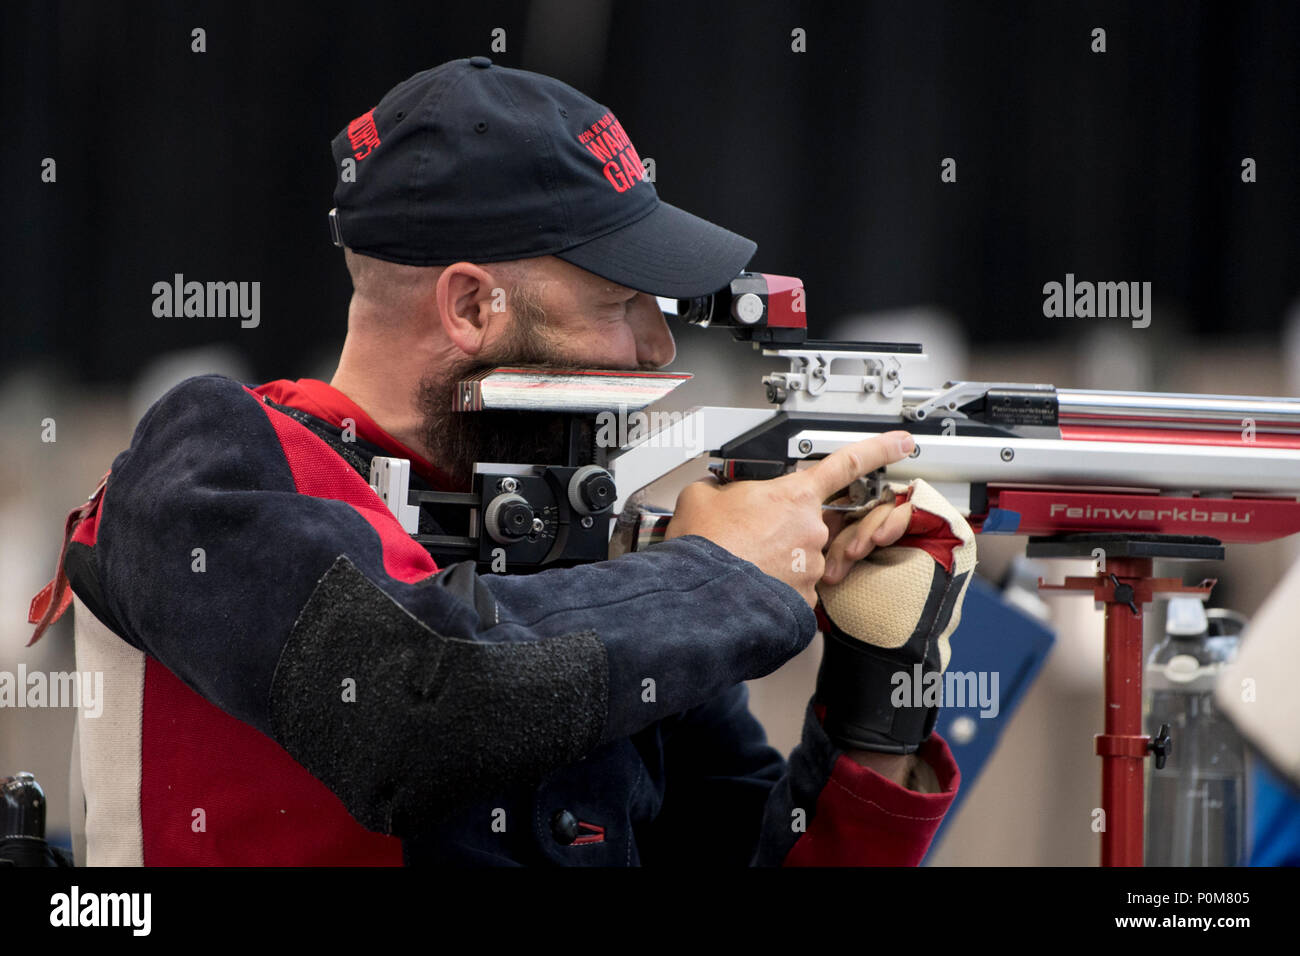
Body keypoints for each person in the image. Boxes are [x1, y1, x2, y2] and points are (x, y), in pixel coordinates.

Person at [30, 58, 964, 866]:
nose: (653, 349)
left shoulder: (601, 563)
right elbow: (415, 703)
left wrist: (881, 702)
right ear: (474, 307)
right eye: (621, 302)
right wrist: (719, 574)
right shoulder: (213, 462)